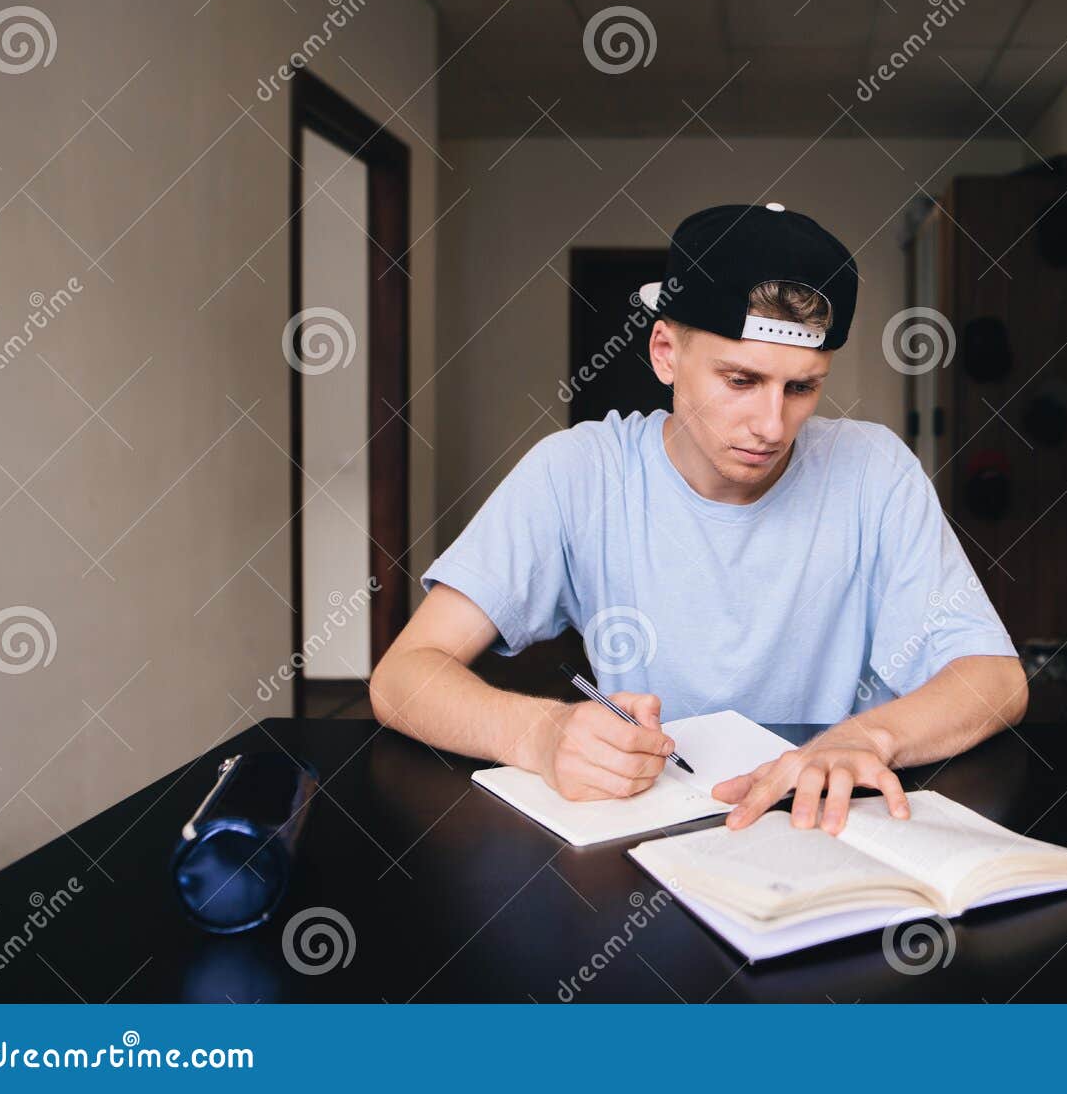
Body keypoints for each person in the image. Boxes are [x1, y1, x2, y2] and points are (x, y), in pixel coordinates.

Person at [368, 202, 1027, 835]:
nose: (772, 427)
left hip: (831, 824)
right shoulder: (577, 473)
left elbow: (995, 678)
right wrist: (538, 734)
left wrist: (864, 738)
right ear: (664, 352)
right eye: (740, 381)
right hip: (654, 826)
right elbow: (403, 678)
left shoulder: (876, 472)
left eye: (801, 387)